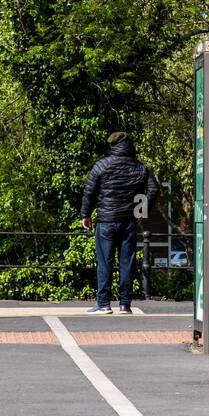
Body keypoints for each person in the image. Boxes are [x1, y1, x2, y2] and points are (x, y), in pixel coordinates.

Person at [80, 131, 159, 315]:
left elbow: (89, 192)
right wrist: (141, 209)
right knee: (127, 262)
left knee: (105, 261)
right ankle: (125, 304)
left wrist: (86, 214)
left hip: (106, 220)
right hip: (129, 221)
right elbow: (154, 188)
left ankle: (103, 304)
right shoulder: (140, 167)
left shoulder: (101, 165)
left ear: (113, 146)